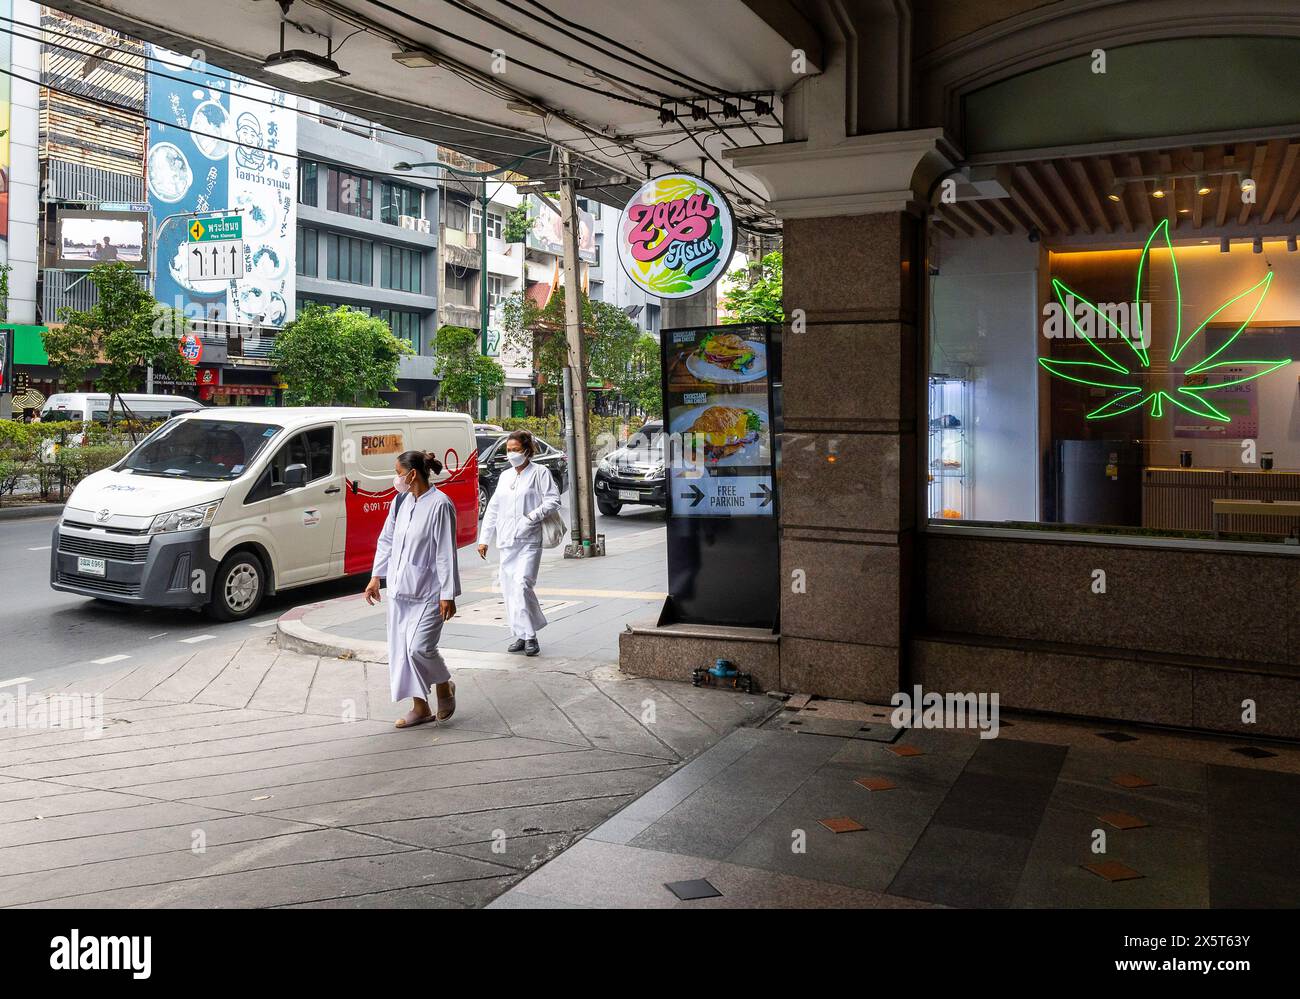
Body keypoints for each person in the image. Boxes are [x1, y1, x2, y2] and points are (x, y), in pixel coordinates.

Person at [364, 450, 460, 728]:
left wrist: (448, 594)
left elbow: (445, 552)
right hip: (398, 590)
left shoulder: (440, 505)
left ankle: (444, 685)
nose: (396, 479)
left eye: (397, 473)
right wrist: (376, 576)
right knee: (401, 653)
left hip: (429, 591)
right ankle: (419, 707)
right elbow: (386, 540)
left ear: (412, 474)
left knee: (419, 648)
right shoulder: (400, 501)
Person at [477, 430, 560, 656]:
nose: (511, 454)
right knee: (509, 589)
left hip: (529, 540)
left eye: (516, 449)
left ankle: (531, 635)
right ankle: (520, 635)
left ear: (527, 450)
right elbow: (493, 508)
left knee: (523, 584)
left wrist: (531, 518)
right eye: (509, 450)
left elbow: (553, 500)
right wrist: (484, 539)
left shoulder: (540, 473)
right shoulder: (505, 476)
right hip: (506, 541)